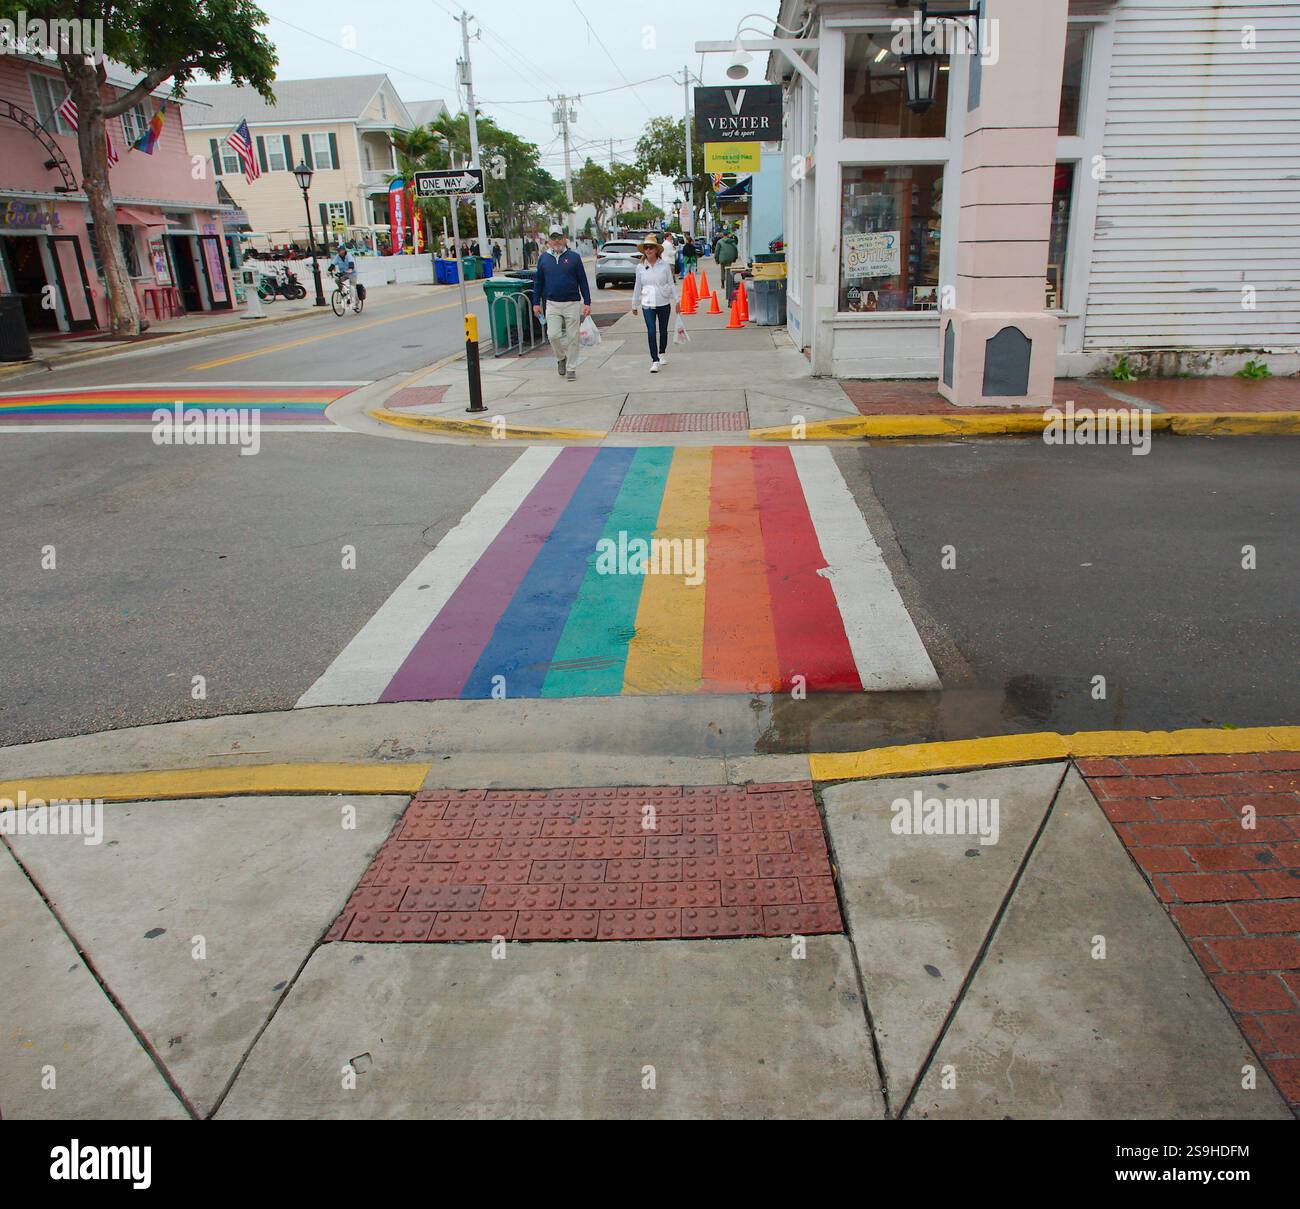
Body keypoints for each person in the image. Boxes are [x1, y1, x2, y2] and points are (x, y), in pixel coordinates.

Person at [533, 228, 591, 381]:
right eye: (554, 238)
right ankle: (561, 358)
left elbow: (583, 281)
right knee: (553, 335)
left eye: (559, 237)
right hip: (552, 303)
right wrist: (536, 303)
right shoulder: (543, 258)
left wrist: (587, 302)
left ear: (565, 238)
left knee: (573, 338)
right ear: (549, 240)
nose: (557, 241)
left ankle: (571, 368)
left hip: (571, 302)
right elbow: (538, 282)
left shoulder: (574, 257)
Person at [632, 235, 674, 373]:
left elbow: (671, 284)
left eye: (651, 247)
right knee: (651, 331)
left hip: (663, 301)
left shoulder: (665, 266)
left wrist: (677, 300)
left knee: (663, 330)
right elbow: (637, 286)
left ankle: (661, 352)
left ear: (656, 250)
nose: (648, 250)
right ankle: (654, 360)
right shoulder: (640, 267)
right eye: (646, 247)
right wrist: (634, 304)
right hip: (647, 303)